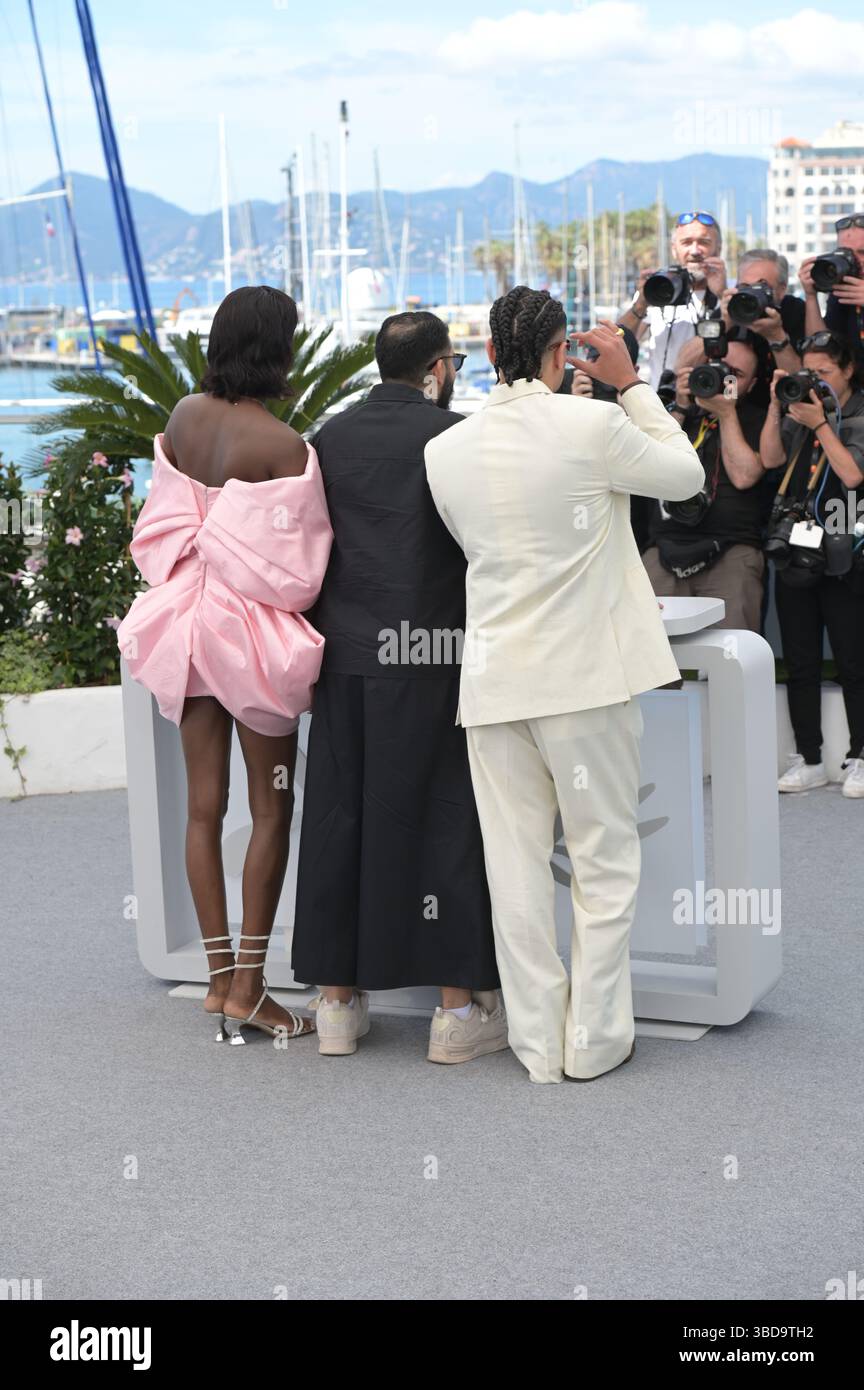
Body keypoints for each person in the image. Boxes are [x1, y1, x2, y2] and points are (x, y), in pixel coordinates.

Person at [424, 287, 704, 1085]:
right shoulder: (593, 423)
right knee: (603, 864)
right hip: (584, 681)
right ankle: (596, 1040)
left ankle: (538, 1045)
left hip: (494, 684)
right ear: (559, 355)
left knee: (512, 871)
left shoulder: (446, 450)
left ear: (486, 354)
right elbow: (684, 477)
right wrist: (636, 385)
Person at [117, 286, 333, 1043]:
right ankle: (252, 987)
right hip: (248, 644)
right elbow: (301, 573)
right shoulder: (285, 446)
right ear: (280, 351)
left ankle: (216, 983)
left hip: (183, 624)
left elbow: (168, 513)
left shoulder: (182, 415)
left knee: (202, 808)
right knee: (271, 807)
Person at [291, 311, 506, 1063]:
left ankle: (337, 1006)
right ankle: (453, 1015)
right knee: (444, 817)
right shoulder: (456, 436)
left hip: (345, 654)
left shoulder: (330, 438)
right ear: (440, 367)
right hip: (432, 650)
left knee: (337, 820)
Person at [759, 330, 864, 797]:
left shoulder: (856, 414)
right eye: (808, 372)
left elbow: (852, 474)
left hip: (845, 545)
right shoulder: (798, 406)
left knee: (853, 660)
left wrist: (822, 424)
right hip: (796, 546)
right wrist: (775, 406)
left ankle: (860, 755)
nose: (814, 381)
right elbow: (770, 458)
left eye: (823, 373)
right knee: (800, 660)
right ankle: (810, 758)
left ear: (847, 371)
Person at [641, 327, 769, 631]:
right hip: (664, 547)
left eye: (734, 373)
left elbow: (744, 476)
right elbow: (649, 468)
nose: (722, 376)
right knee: (648, 657)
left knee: (734, 655)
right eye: (716, 367)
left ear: (750, 385)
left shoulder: (758, 417)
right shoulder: (674, 411)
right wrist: (682, 406)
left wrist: (726, 415)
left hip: (732, 549)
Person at [618, 209, 727, 387]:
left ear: (719, 248)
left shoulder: (731, 291)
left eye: (704, 242)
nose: (695, 250)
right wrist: (641, 304)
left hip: (716, 399)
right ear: (674, 249)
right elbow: (620, 343)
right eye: (686, 242)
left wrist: (722, 295)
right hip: (664, 402)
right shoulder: (659, 289)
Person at [720, 248, 805, 375]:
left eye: (761, 287)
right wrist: (723, 325)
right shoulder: (731, 309)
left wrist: (776, 336)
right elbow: (683, 365)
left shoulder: (795, 310)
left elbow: (799, 381)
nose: (751, 295)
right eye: (744, 287)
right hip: (735, 394)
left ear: (781, 290)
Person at [800, 214, 864, 368]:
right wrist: (811, 296)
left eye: (862, 252)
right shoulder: (843, 290)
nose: (854, 260)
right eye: (846, 253)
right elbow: (822, 349)